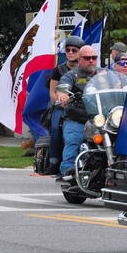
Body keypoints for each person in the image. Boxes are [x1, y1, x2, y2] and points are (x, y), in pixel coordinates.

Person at [56, 46, 101, 179]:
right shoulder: (71, 75)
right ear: (80, 60)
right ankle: (68, 170)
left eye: (94, 58)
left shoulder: (104, 74)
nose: (91, 61)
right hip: (78, 118)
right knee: (73, 140)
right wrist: (62, 94)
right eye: (87, 58)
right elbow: (62, 89)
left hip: (100, 118)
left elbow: (118, 84)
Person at [42, 36, 83, 176]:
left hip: (83, 108)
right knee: (56, 129)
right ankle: (54, 162)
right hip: (62, 107)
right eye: (68, 50)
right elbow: (52, 92)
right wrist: (60, 102)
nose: (70, 52)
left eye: (74, 50)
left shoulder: (87, 70)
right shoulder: (58, 70)